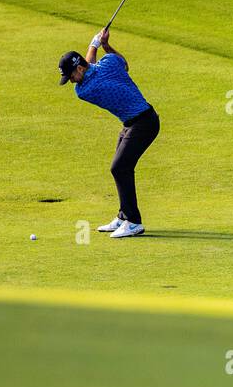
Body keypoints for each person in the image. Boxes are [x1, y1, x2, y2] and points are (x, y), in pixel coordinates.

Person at [58, 28, 158, 238]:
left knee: (120, 168)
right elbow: (123, 63)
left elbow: (89, 64)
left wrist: (93, 44)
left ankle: (133, 222)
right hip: (134, 122)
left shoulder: (85, 90)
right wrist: (103, 45)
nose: (72, 82)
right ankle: (123, 216)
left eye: (71, 76)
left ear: (79, 69)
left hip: (144, 123)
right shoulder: (110, 62)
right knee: (121, 168)